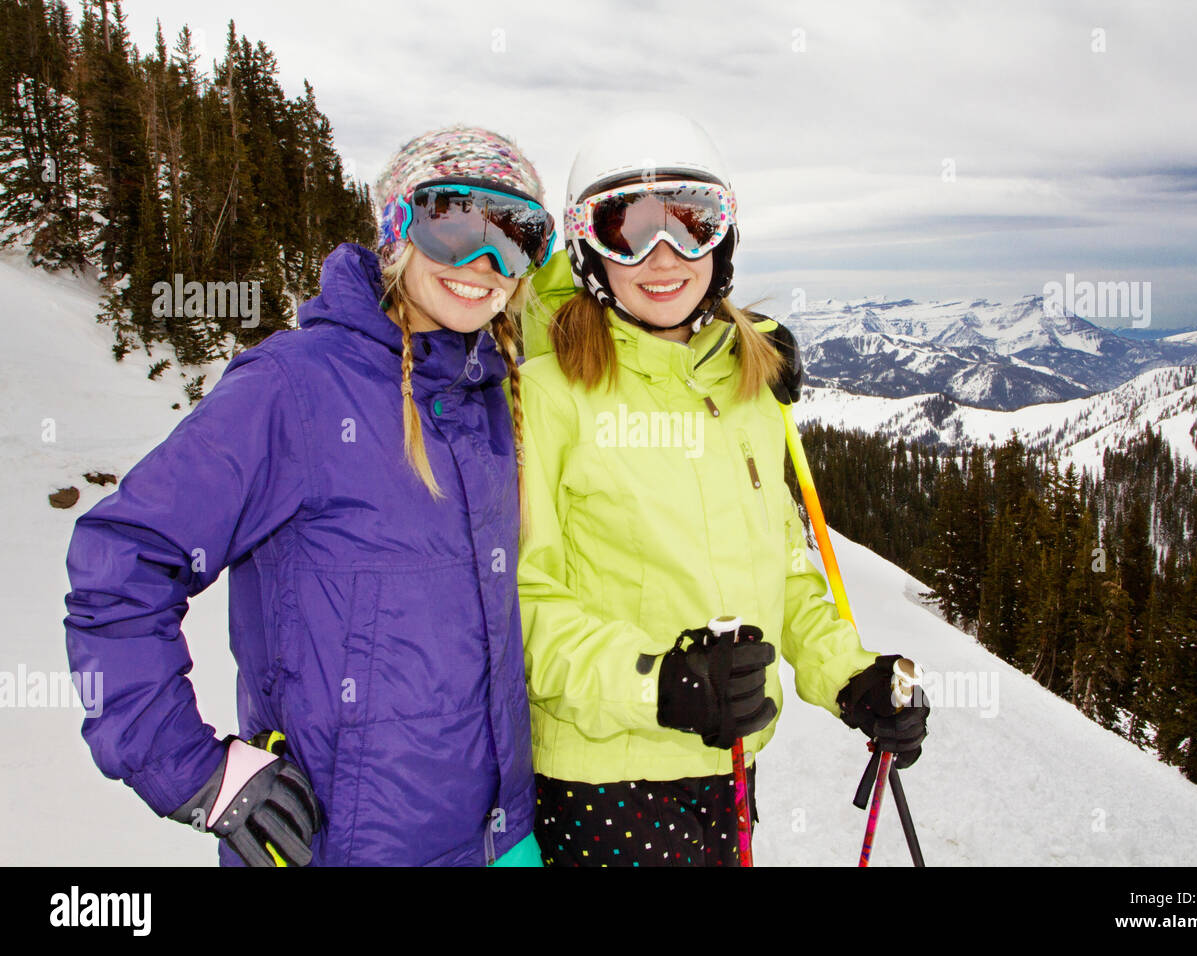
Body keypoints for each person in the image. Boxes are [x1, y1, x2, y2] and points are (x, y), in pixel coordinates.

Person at [62, 126, 554, 867]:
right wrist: (194, 771)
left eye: (514, 237)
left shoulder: (493, 387)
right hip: (344, 850)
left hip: (504, 839)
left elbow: (614, 301)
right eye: (454, 225)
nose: (483, 264)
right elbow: (121, 563)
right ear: (397, 230)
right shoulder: (295, 388)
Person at [517, 110, 929, 866]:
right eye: (626, 228)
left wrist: (851, 677)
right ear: (587, 250)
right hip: (608, 783)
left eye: (690, 222)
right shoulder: (545, 397)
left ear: (724, 239)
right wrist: (660, 685)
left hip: (729, 771)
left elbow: (784, 570)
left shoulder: (745, 391)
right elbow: (523, 609)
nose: (661, 254)